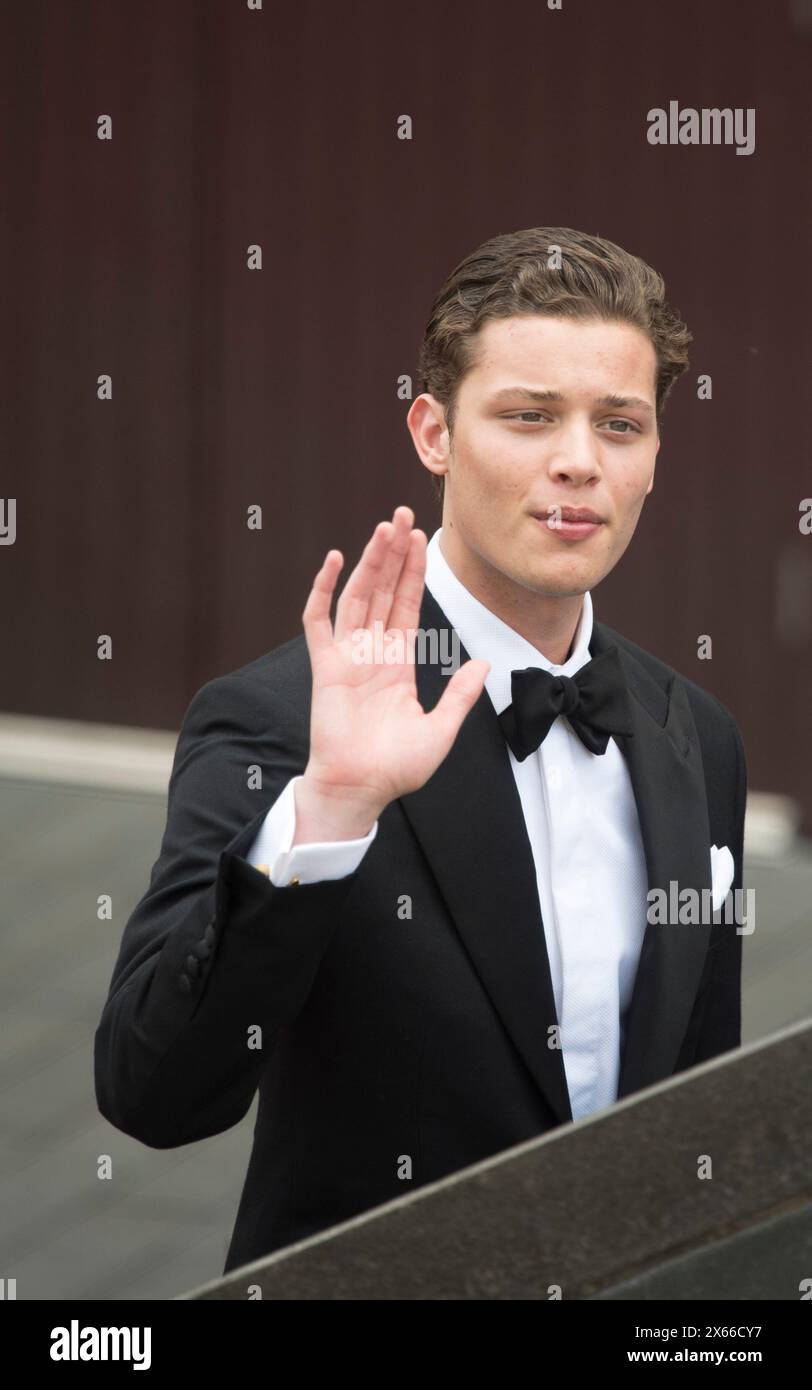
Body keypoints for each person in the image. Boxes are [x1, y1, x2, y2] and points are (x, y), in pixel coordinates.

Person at [94, 226, 747, 1276]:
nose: (577, 457)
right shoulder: (276, 719)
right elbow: (152, 1092)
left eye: (617, 423)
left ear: (655, 452)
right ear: (432, 433)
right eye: (528, 415)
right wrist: (332, 811)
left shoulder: (695, 735)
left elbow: (696, 1107)